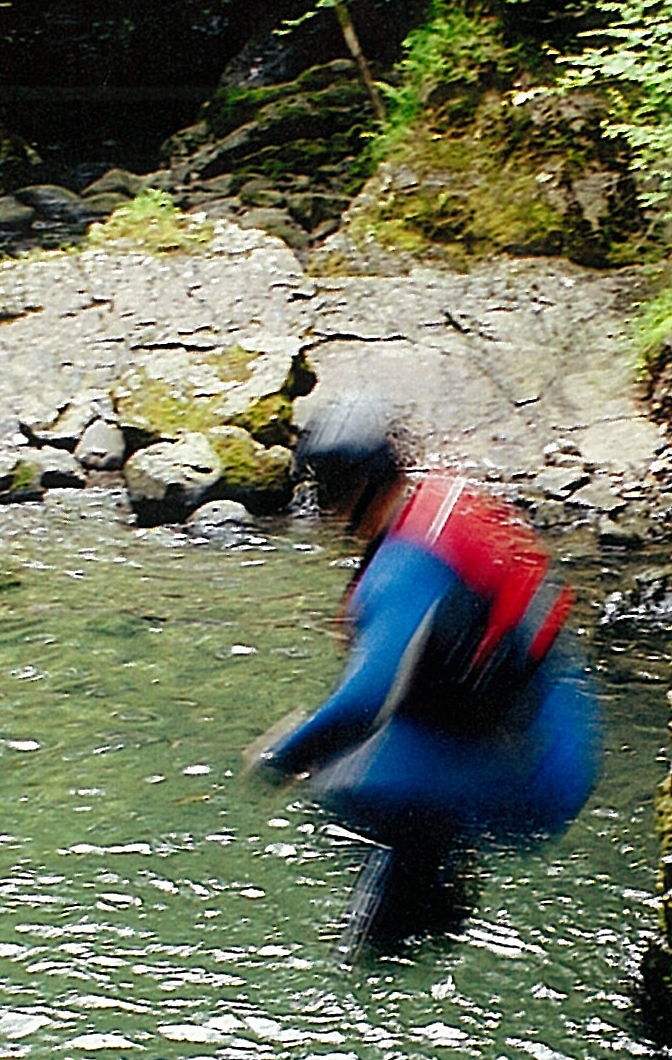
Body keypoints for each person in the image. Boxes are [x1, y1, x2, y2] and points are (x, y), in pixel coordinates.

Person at [249, 399, 601, 955]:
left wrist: (281, 758)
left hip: (538, 778)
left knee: (338, 781)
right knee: (377, 758)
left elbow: (362, 701)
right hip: (562, 719)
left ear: (347, 494)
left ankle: (426, 898)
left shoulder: (403, 570)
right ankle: (431, 857)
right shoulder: (441, 503)